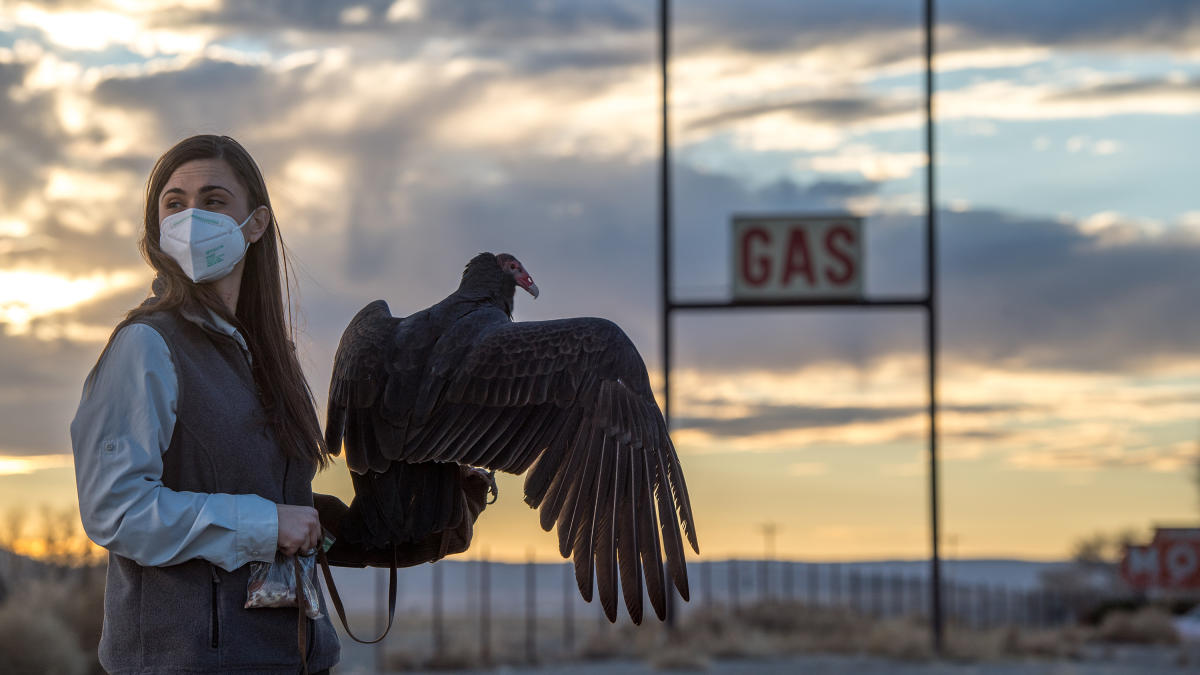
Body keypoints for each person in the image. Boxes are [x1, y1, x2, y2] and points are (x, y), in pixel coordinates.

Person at [70, 135, 487, 674]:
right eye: (174, 204)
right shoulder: (147, 345)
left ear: (257, 224)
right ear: (157, 229)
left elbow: (275, 504)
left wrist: (397, 526)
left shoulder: (265, 355)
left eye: (214, 201)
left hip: (294, 657)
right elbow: (116, 509)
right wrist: (265, 525)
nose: (192, 218)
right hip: (186, 663)